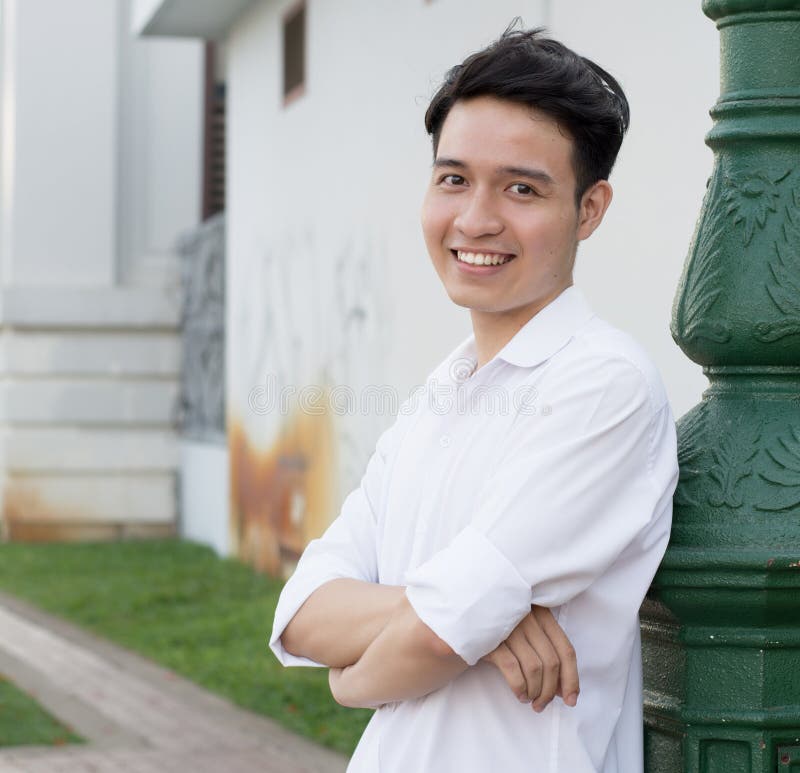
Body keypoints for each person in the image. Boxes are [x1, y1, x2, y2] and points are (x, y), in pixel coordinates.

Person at [270, 25, 678, 772]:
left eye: (522, 188)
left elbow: (432, 639)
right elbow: (301, 614)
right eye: (453, 179)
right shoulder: (438, 396)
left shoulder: (602, 387)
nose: (476, 219)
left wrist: (352, 679)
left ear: (590, 209)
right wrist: (469, 616)